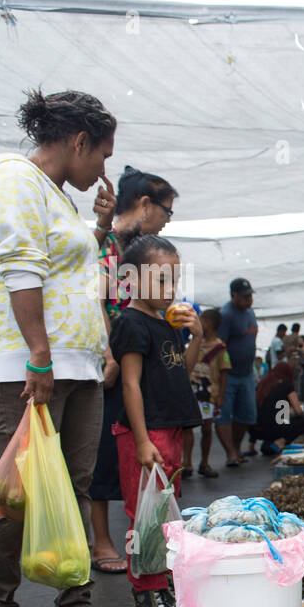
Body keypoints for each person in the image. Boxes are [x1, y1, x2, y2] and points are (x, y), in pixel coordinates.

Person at [0, 87, 118, 607]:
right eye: (102, 154)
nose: (103, 168)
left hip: (75, 368)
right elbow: (21, 272)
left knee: (73, 490)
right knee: (16, 492)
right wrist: (39, 355)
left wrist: (99, 230)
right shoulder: (12, 179)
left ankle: (73, 605)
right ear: (79, 141)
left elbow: (68, 274)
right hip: (22, 368)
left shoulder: (58, 197)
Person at [110, 235, 202, 607]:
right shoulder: (130, 324)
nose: (171, 290)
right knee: (144, 519)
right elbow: (130, 384)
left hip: (170, 430)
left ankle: (161, 587)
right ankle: (145, 600)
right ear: (131, 280)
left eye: (175, 280)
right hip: (144, 435)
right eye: (162, 280)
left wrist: (197, 334)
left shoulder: (166, 322)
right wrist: (143, 440)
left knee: (164, 516)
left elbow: (182, 368)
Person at [91, 164, 177, 571]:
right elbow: (98, 301)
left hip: (135, 355)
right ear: (146, 205)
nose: (166, 221)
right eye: (167, 211)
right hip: (113, 358)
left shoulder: (144, 257)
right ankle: (103, 541)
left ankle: (149, 553)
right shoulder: (108, 246)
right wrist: (109, 352)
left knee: (132, 458)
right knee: (109, 455)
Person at [217, 277, 258, 467]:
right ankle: (230, 453)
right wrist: (223, 370)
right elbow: (219, 346)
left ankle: (236, 447)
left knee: (247, 414)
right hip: (229, 374)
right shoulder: (226, 315)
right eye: (244, 297)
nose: (248, 299)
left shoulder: (250, 313)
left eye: (250, 295)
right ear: (233, 296)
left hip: (247, 373)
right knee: (224, 414)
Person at [182, 307, 228, 478]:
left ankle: (204, 462)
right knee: (188, 428)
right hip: (191, 392)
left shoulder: (220, 348)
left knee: (207, 429)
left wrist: (221, 395)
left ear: (208, 324)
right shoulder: (192, 344)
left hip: (209, 395)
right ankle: (186, 463)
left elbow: (224, 372)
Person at [251, 362, 304, 454]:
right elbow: (299, 412)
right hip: (276, 428)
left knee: (265, 417)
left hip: (256, 429)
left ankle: (252, 446)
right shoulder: (286, 385)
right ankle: (279, 442)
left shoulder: (263, 383)